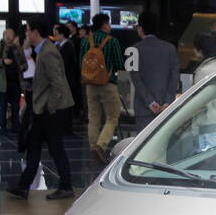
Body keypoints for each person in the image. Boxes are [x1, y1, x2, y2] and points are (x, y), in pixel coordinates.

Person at [7, 16, 74, 200]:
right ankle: (23, 186)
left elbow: (57, 83)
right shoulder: (41, 50)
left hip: (51, 109)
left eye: (28, 30)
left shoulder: (48, 52)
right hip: (42, 108)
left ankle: (66, 186)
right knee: (34, 145)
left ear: (35, 32)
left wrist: (50, 107)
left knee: (55, 148)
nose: (26, 33)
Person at [79, 12, 123, 163]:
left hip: (90, 85)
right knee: (112, 117)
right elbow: (119, 64)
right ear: (104, 24)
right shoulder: (112, 41)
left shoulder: (86, 41)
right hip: (108, 84)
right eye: (109, 23)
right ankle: (100, 146)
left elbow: (81, 62)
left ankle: (93, 146)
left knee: (93, 117)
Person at [130, 12, 181, 133]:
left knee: (143, 141)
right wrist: (168, 101)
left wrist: (150, 102)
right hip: (166, 107)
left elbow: (135, 79)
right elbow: (175, 76)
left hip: (143, 109)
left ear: (140, 28)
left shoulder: (133, 50)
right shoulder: (170, 48)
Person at [0, 25, 24, 136]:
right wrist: (3, 62)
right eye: (7, 35)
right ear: (3, 36)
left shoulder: (18, 50)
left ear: (14, 36)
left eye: (11, 35)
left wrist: (22, 67)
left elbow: (24, 63)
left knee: (16, 106)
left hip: (15, 82)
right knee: (2, 106)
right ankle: (2, 127)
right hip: (3, 82)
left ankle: (15, 127)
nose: (9, 37)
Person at [52, 22, 83, 135]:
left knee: (66, 104)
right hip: (63, 80)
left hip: (67, 80)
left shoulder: (67, 47)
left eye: (56, 34)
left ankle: (66, 127)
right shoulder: (60, 46)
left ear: (62, 35)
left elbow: (64, 65)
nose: (55, 36)